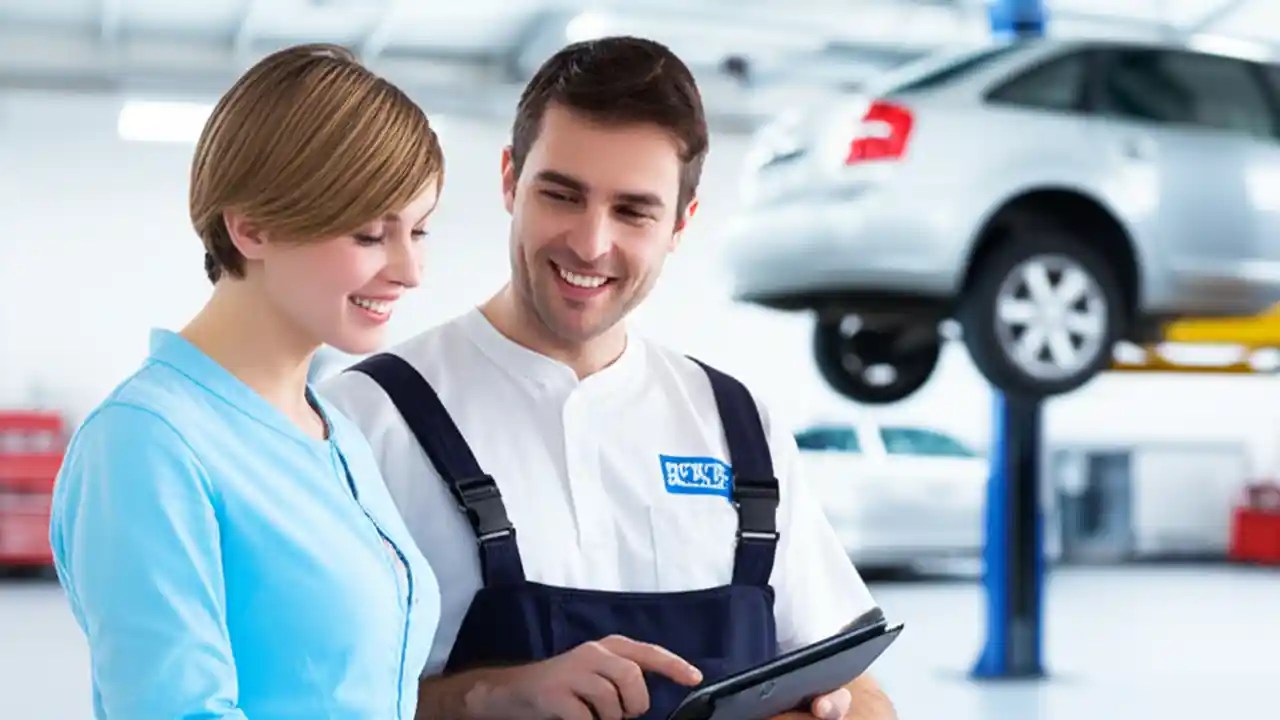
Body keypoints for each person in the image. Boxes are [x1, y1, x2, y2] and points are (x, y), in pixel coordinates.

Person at [320, 36, 897, 720]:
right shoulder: (363, 422)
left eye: (633, 211)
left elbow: (862, 691)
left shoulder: (743, 428)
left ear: (682, 223)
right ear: (510, 180)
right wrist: (488, 698)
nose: (591, 243)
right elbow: (299, 700)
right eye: (562, 196)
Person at [48, 43, 444, 720]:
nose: (410, 271)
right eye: (373, 233)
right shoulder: (146, 444)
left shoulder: (333, 431)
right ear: (252, 226)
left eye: (420, 230)